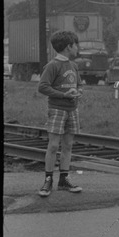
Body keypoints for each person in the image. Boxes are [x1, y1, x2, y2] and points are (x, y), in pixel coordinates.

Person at [36, 30, 84, 197]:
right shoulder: (52, 66)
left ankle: (64, 180)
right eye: (76, 45)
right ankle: (48, 179)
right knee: (54, 145)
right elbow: (42, 87)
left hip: (72, 110)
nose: (77, 48)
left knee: (68, 145)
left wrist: (78, 91)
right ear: (68, 47)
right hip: (57, 109)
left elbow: (78, 85)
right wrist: (64, 95)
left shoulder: (74, 66)